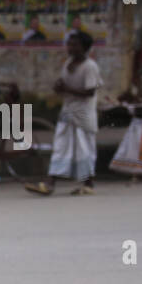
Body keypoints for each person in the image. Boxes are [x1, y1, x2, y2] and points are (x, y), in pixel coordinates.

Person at [25, 30, 101, 195]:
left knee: (84, 149)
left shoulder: (90, 67)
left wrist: (66, 89)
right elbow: (65, 85)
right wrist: (60, 87)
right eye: (69, 44)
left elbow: (90, 92)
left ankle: (88, 183)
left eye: (75, 45)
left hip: (83, 115)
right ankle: (50, 182)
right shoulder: (68, 64)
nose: (70, 47)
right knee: (61, 146)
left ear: (84, 48)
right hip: (68, 111)